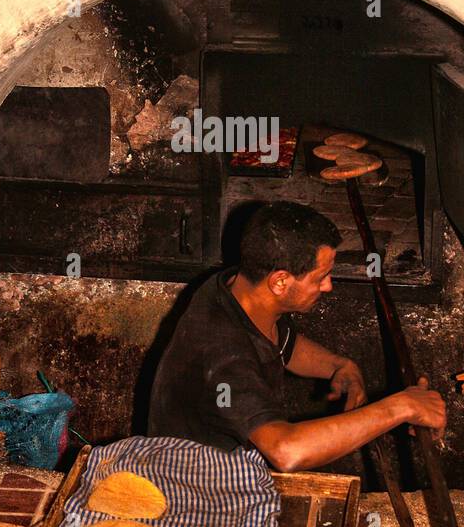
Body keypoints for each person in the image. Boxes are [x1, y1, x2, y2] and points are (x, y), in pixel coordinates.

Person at [147, 201, 446, 469]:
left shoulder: (236, 288)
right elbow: (286, 451)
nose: (328, 286)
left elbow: (283, 343)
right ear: (280, 281)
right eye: (321, 277)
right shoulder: (224, 355)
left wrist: (339, 365)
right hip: (195, 486)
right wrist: (401, 407)